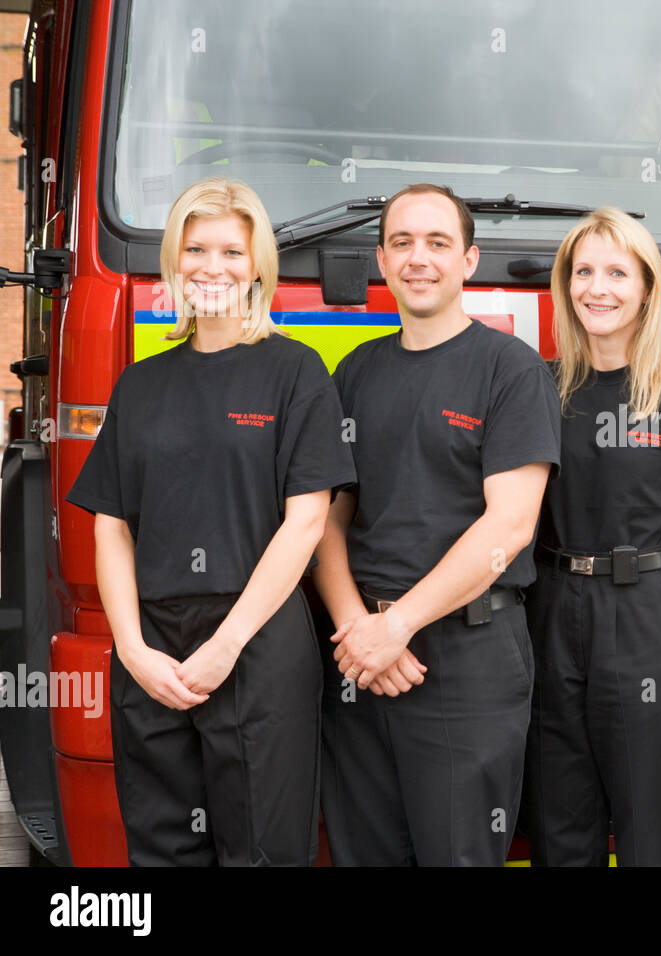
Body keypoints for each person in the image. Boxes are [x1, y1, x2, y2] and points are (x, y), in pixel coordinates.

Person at [66, 177, 355, 866]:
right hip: (155, 649)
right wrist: (132, 652)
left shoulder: (295, 372)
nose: (212, 267)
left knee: (260, 849)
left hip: (256, 642)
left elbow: (306, 523)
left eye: (231, 250)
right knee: (163, 849)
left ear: (257, 264)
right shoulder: (141, 383)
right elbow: (111, 526)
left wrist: (226, 646)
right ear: (174, 259)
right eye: (196, 249)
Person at [312, 183, 561, 866]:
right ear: (382, 263)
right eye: (402, 243)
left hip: (466, 658)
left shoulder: (510, 370)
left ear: (469, 260)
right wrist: (361, 632)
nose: (418, 259)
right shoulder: (354, 371)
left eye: (437, 243)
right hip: (360, 659)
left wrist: (397, 628)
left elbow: (508, 525)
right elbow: (327, 522)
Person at [524, 208, 661, 866]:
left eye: (617, 272)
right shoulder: (540, 388)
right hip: (553, 610)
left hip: (646, 612)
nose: (598, 287)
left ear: (646, 287)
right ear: (565, 284)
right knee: (562, 825)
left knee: (647, 828)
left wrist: (657, 608)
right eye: (583, 271)